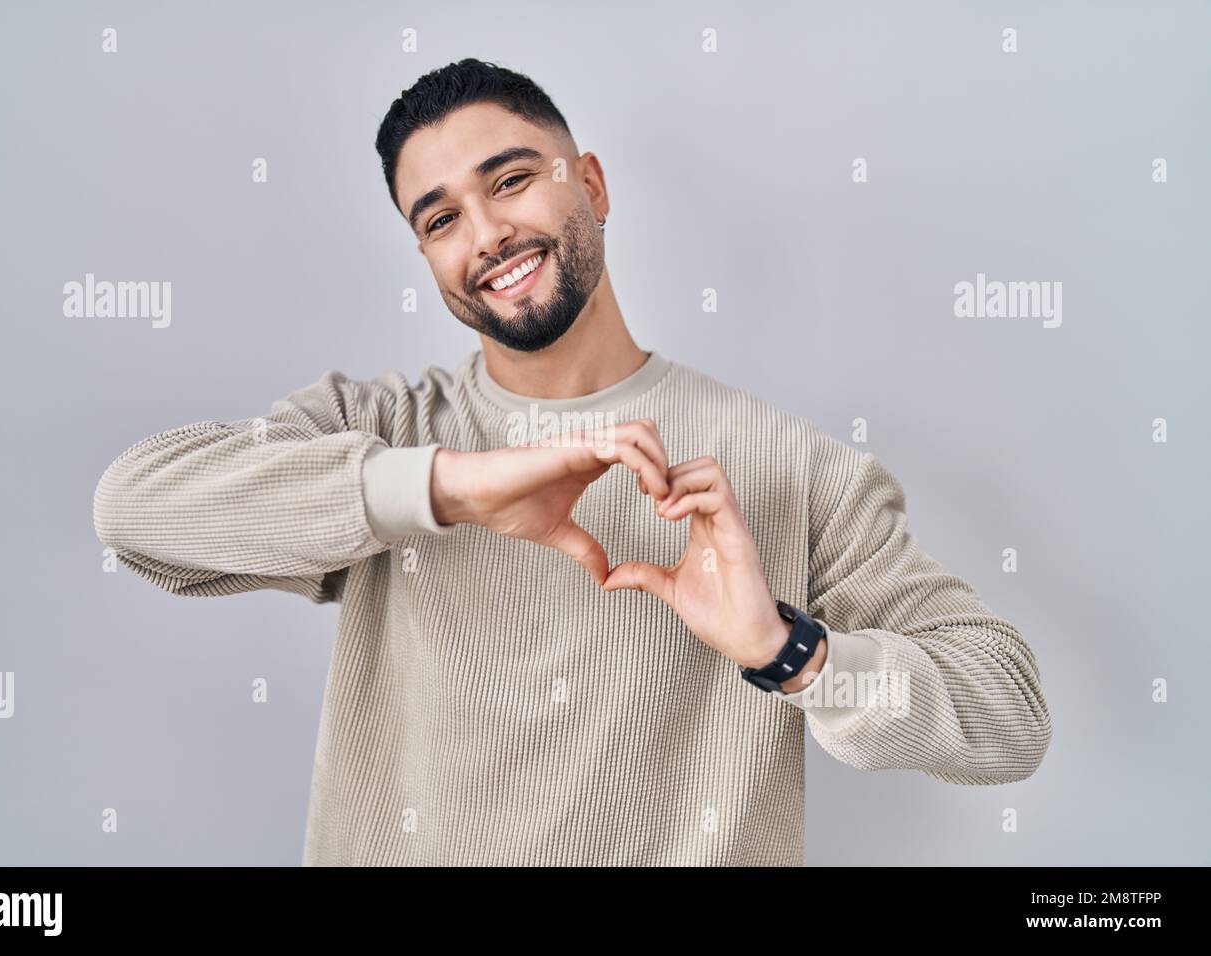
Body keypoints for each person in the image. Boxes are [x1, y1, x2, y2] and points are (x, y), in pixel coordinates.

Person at [92, 58, 1051, 866]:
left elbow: (1008, 716)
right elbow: (133, 513)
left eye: (510, 181)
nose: (487, 237)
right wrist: (448, 486)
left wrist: (788, 651)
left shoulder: (792, 469)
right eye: (440, 219)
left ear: (589, 183)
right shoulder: (382, 430)